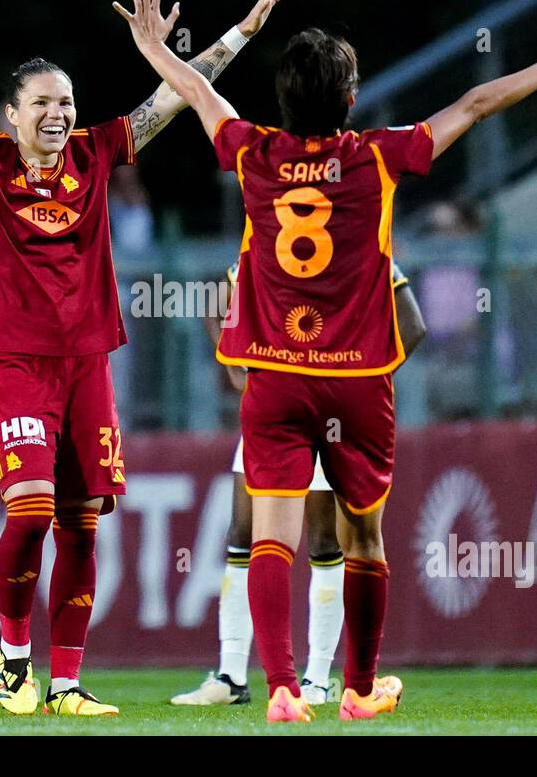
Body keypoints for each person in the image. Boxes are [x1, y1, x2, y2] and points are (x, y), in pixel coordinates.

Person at [116, 0, 537, 721]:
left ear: (283, 98)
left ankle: (279, 686)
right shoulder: (377, 158)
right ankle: (359, 687)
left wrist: (153, 47)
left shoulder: (251, 152)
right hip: (356, 380)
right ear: (347, 99)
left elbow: (197, 91)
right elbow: (470, 105)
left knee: (272, 535)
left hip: (274, 374)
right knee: (361, 534)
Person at [0, 0, 290, 716]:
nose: (57, 113)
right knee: (30, 508)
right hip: (16, 363)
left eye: (64, 100)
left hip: (89, 363)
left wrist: (242, 28)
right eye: (40, 102)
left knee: (82, 524)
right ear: (12, 115)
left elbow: (176, 95)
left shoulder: (99, 153)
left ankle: (64, 681)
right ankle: (12, 659)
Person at [171, 259, 424, 706]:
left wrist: (363, 371)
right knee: (245, 532)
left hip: (325, 408)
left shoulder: (355, 245)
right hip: (287, 397)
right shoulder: (282, 239)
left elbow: (411, 322)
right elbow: (219, 301)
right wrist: (235, 362)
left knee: (322, 539)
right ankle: (232, 675)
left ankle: (315, 678)